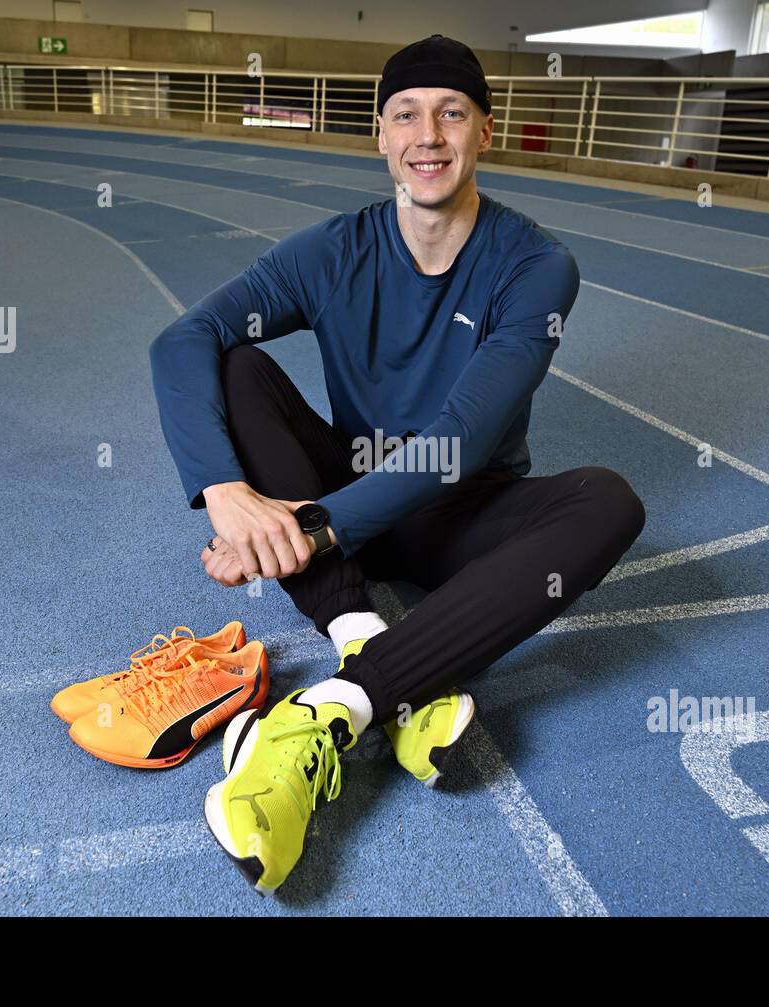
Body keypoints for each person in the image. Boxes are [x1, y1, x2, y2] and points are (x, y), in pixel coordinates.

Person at [148, 34, 645, 895]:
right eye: (406, 115)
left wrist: (305, 528)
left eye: (452, 112)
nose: (429, 135)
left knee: (609, 502)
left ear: (485, 130)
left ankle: (334, 709)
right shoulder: (332, 251)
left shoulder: (536, 267)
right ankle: (365, 639)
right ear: (379, 136)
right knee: (233, 366)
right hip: (347, 493)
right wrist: (227, 496)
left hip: (461, 517)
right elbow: (181, 338)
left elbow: (457, 441)